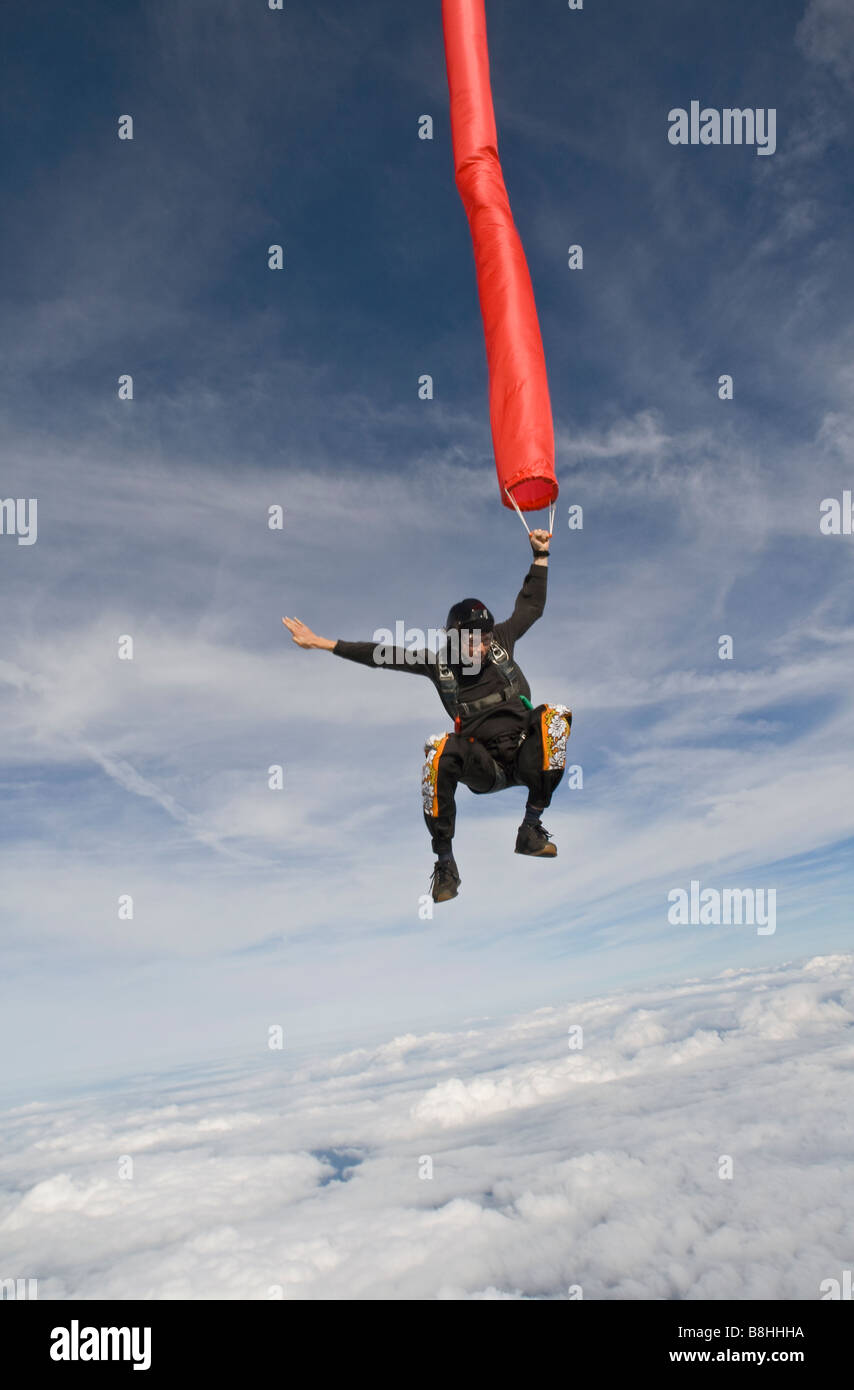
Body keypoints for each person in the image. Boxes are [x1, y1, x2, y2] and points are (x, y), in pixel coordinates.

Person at [282, 529, 571, 903]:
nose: (481, 646)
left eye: (484, 638)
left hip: (526, 756)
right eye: (472, 640)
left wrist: (540, 556)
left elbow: (530, 607)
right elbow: (383, 654)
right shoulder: (440, 665)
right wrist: (324, 643)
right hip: (486, 768)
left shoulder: (501, 641)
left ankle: (530, 829)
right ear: (453, 639)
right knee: (437, 749)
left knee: (556, 716)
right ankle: (446, 864)